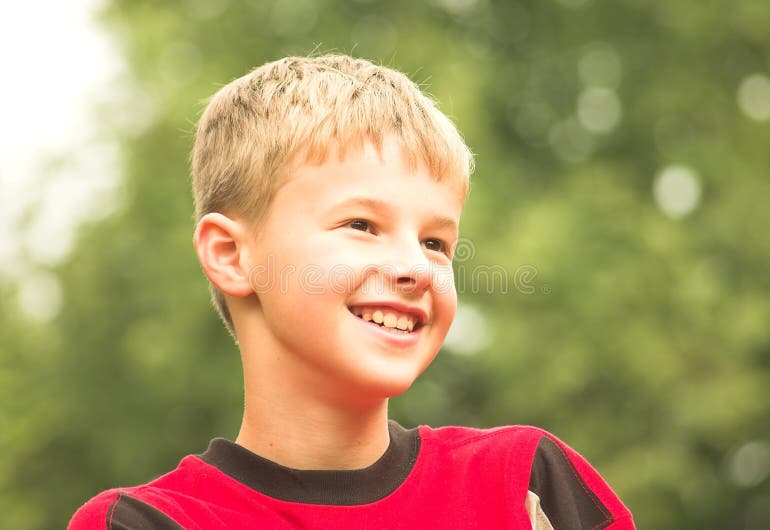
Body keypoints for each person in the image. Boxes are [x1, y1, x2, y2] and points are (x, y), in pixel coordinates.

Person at [68, 55, 635, 529]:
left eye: (436, 242)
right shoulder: (145, 521)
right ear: (231, 255)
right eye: (362, 226)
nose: (416, 266)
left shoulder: (526, 485)